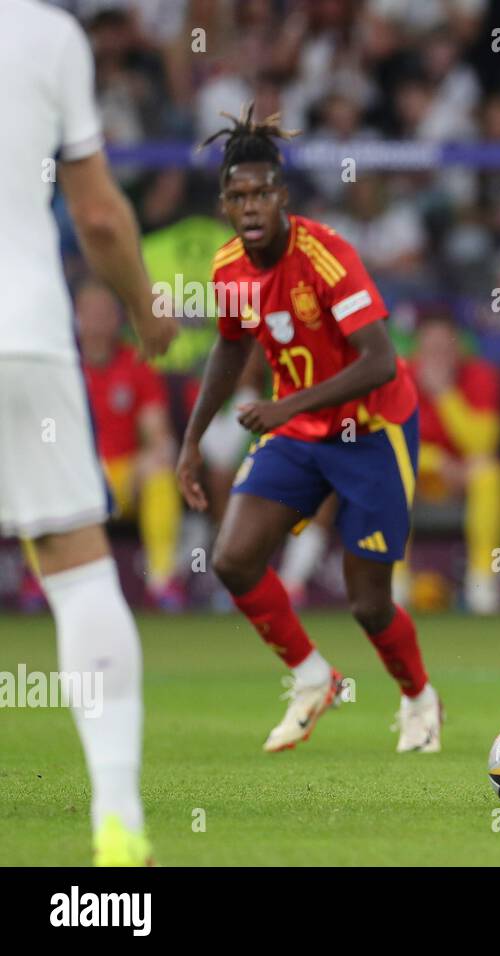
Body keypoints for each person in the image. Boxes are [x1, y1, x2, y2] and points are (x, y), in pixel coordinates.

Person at [176, 105, 441, 755]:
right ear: (225, 203)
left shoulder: (326, 255)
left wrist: (286, 408)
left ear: (282, 195)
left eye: (261, 192)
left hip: (373, 429)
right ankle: (311, 676)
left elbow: (379, 360)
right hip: (298, 429)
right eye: (237, 195)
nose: (250, 206)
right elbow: (232, 348)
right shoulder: (229, 267)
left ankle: (418, 698)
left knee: (368, 603)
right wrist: (190, 441)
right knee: (234, 560)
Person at [0, 0, 178, 866]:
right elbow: (99, 215)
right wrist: (146, 306)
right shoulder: (48, 35)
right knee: (77, 572)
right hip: (24, 331)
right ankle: (117, 821)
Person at [76, 278, 185, 610]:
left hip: (122, 478)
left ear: (118, 318)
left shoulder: (136, 364)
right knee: (34, 473)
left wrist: (153, 454)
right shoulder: (63, 367)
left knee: (161, 467)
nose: (98, 321)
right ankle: (38, 581)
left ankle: (162, 580)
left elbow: (158, 434)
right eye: (91, 313)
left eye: (105, 312)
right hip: (76, 479)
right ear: (76, 318)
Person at [411, 309, 500, 614]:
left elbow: (484, 442)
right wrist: (436, 461)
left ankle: (482, 580)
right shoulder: (398, 377)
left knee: (490, 472)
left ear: (459, 350)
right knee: (385, 472)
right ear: (418, 351)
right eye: (431, 349)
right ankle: (393, 580)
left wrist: (445, 395)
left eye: (446, 348)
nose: (439, 356)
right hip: (420, 477)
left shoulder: (482, 376)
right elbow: (386, 443)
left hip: (465, 477)